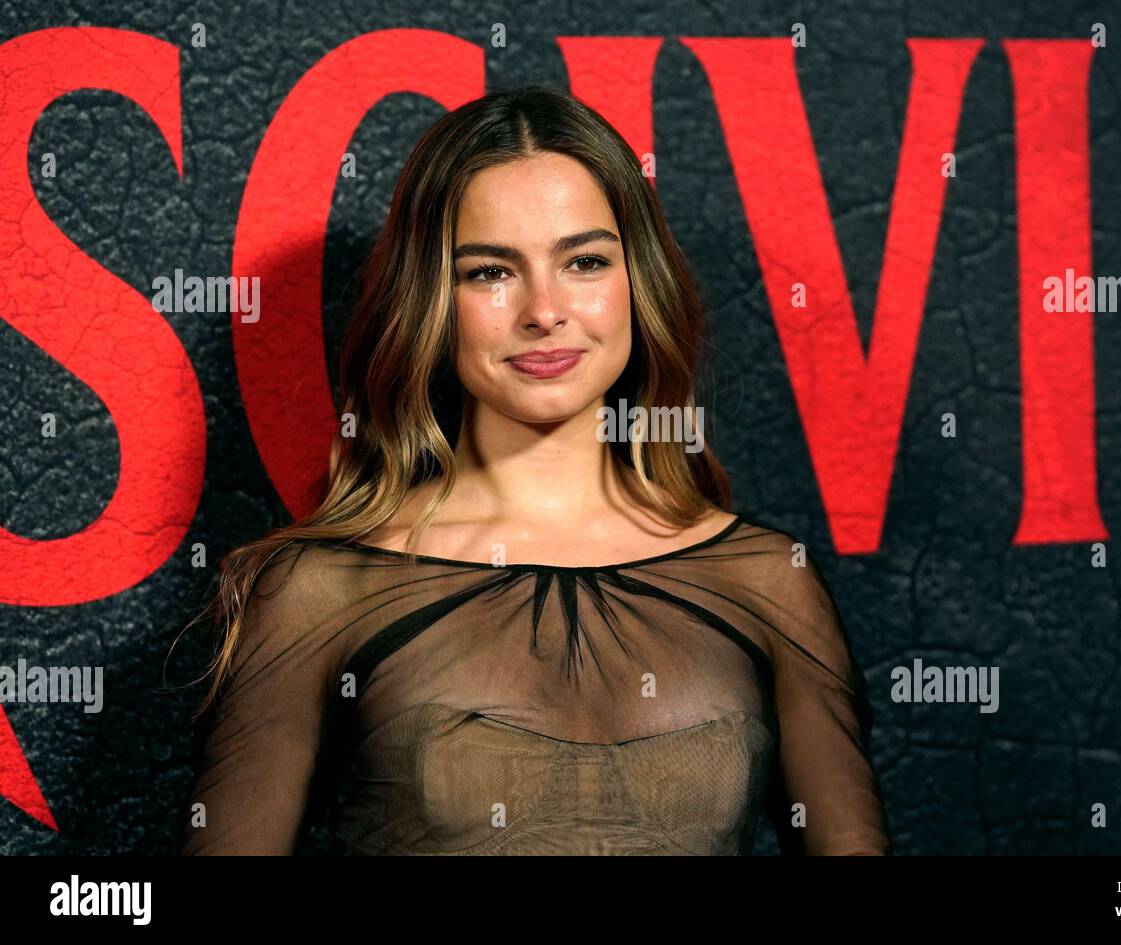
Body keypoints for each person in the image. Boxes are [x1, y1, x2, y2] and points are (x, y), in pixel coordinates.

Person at [177, 85, 890, 855]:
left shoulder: (767, 581)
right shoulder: (317, 591)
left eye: (584, 260)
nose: (544, 310)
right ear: (430, 299)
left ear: (636, 281)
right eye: (490, 271)